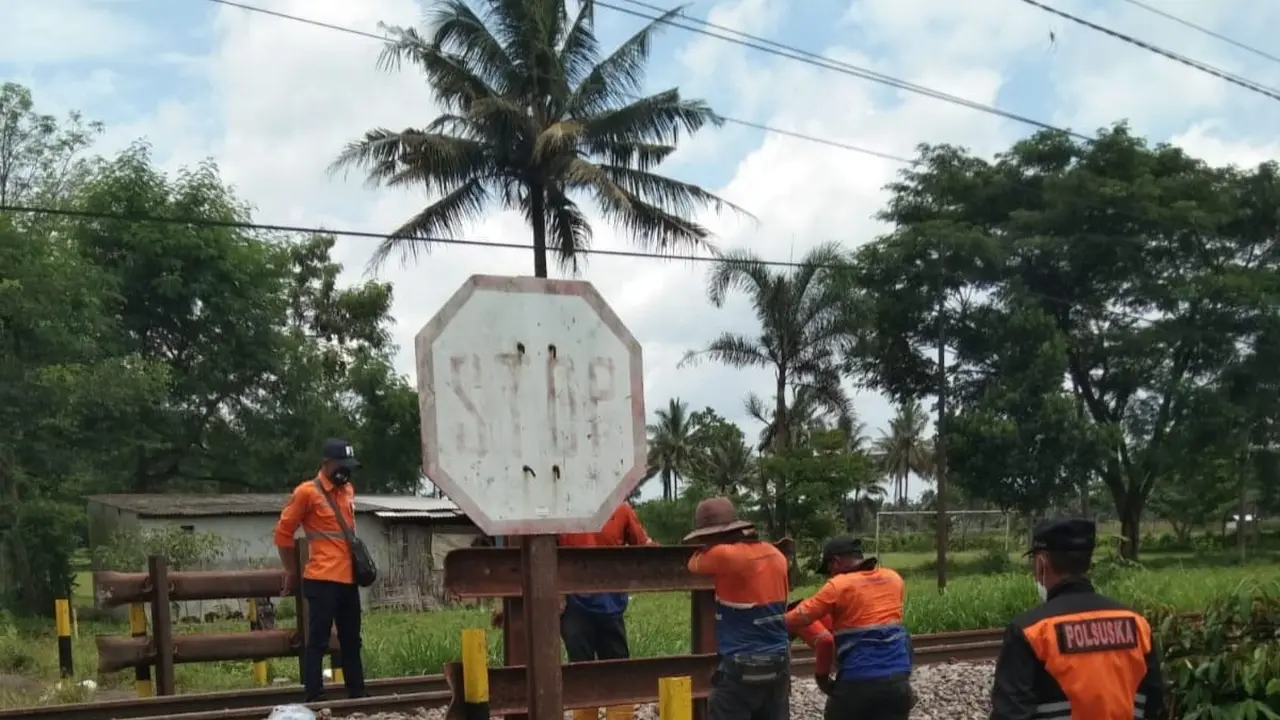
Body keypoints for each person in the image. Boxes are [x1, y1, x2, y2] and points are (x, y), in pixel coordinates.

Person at [989, 518, 1166, 720]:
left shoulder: (1031, 631)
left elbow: (1010, 715)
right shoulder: (1137, 625)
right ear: (1088, 563)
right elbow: (1155, 707)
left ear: (1041, 565)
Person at [274, 438, 368, 702]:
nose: (346, 471)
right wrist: (291, 571)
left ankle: (358, 692)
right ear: (326, 463)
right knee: (318, 641)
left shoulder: (348, 490)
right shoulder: (307, 492)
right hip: (322, 578)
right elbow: (283, 534)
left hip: (348, 579)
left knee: (351, 639)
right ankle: (314, 695)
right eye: (342, 465)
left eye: (350, 466)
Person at [784, 536, 913, 720]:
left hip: (858, 684)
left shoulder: (838, 585)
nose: (830, 575)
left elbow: (797, 618)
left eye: (829, 570)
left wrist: (765, 621)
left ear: (835, 562)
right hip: (899, 684)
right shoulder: (893, 578)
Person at [686, 496, 791, 720]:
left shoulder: (724, 555)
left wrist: (706, 549)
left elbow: (694, 564)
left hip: (742, 665)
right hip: (780, 660)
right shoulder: (777, 555)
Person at [558, 502, 655, 720]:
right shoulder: (563, 507)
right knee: (581, 667)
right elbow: (548, 549)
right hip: (574, 601)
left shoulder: (620, 509)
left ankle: (618, 716)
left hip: (609, 602)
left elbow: (642, 544)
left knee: (616, 666)